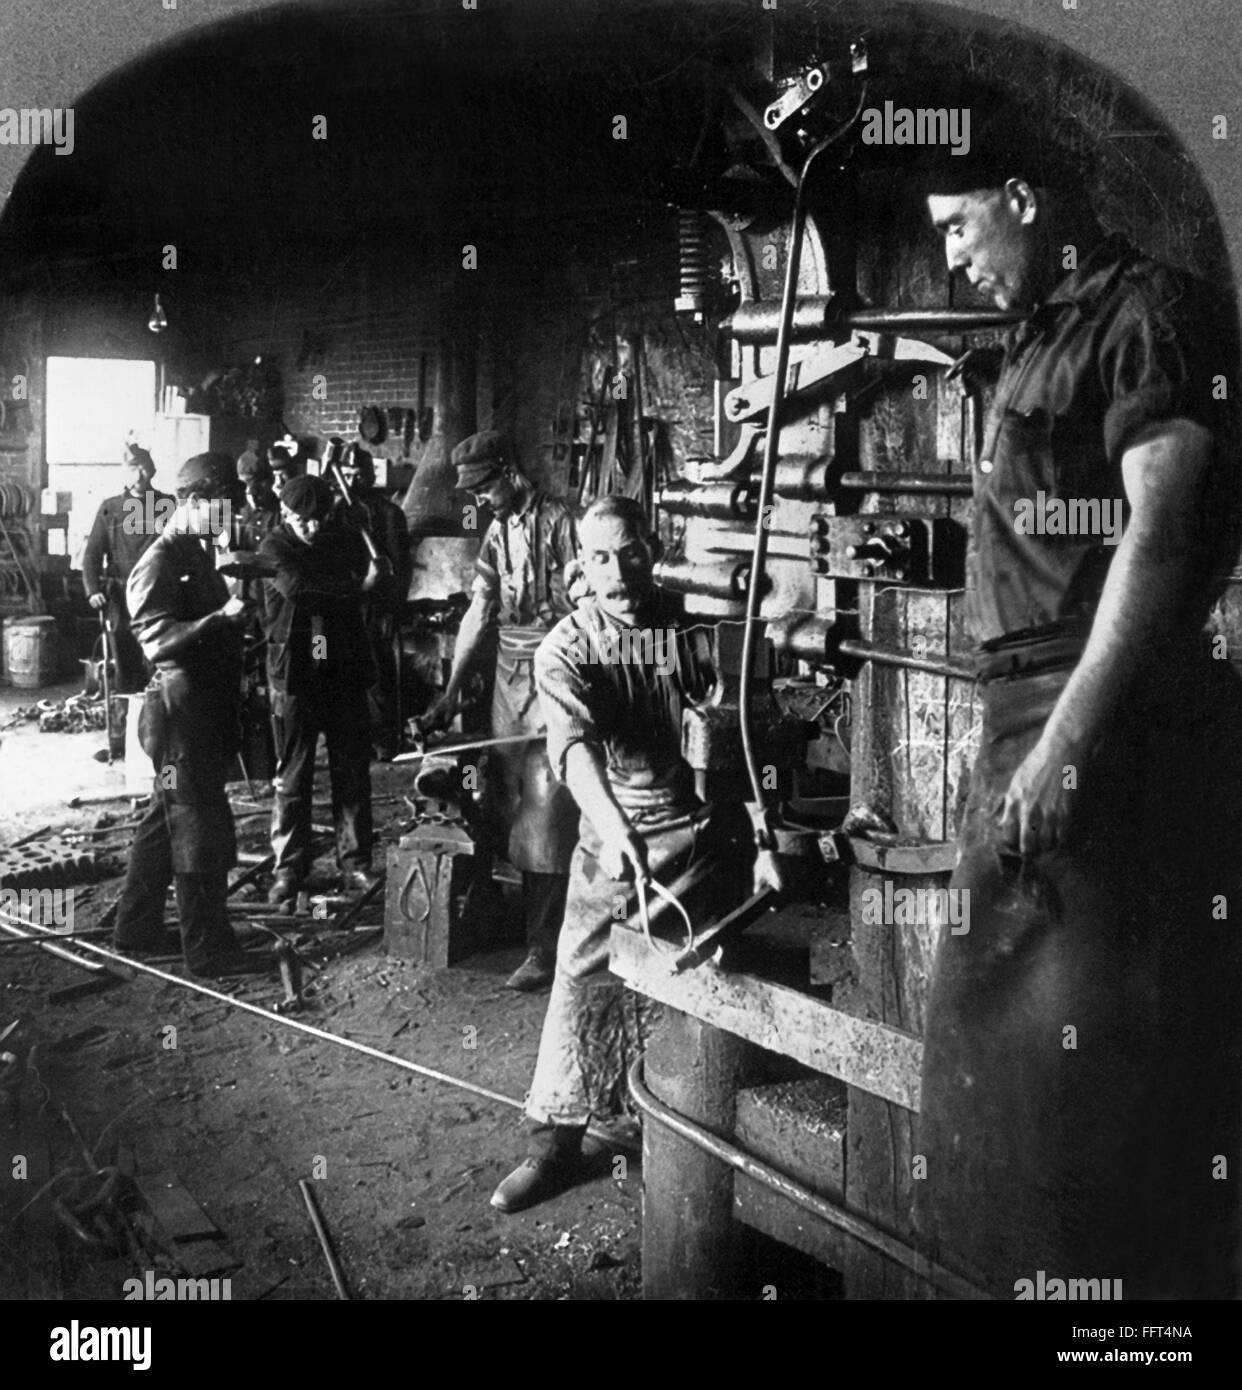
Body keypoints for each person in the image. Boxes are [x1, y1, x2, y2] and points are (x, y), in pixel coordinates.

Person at [913, 108, 1242, 1298]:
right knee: (999, 1073)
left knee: (1096, 1088)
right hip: (1026, 720)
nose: (950, 255)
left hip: (1103, 728)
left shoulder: (1145, 312)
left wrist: (1067, 741)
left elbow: (1159, 533)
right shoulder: (1036, 335)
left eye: (958, 225)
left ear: (1022, 194)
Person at [490, 496, 784, 1213]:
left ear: (654, 550)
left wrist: (767, 840)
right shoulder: (568, 645)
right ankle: (555, 1140)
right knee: (586, 976)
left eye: (629, 553)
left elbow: (745, 740)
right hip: (616, 835)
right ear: (579, 568)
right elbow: (573, 747)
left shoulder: (695, 630)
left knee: (692, 984)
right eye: (598, 558)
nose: (617, 572)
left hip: (707, 836)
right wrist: (616, 827)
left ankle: (665, 1126)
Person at [425, 431, 581, 992]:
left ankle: (547, 949)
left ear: (511, 471)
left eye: (487, 486)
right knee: (502, 796)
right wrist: (450, 693)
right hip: (508, 680)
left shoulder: (565, 522)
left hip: (558, 671)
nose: (482, 499)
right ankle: (510, 917)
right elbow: (479, 613)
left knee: (548, 813)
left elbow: (593, 608)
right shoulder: (497, 531)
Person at [110, 452, 264, 979]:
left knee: (165, 819)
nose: (229, 519)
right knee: (199, 823)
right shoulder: (157, 560)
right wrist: (220, 619)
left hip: (198, 709)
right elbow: (157, 642)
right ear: (197, 503)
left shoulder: (196, 553)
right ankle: (207, 949)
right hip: (177, 714)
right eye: (223, 509)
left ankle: (135, 928)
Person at [258, 475, 384, 904]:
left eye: (317, 520)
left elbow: (372, 579)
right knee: (293, 777)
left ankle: (356, 864)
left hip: (339, 670)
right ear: (286, 514)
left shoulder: (341, 537)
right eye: (301, 520)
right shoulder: (274, 548)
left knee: (352, 772)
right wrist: (358, 587)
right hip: (296, 674)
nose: (310, 528)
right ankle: (290, 868)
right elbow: (302, 591)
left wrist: (375, 576)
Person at [333, 443, 414, 760]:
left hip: (379, 607)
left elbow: (401, 568)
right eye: (348, 474)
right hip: (349, 602)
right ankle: (355, 741)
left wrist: (394, 608)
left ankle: (385, 742)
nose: (352, 481)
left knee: (380, 676)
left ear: (370, 475)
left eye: (359, 474)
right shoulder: (339, 512)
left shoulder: (390, 514)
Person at [82, 441, 173, 693]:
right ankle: (128, 726)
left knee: (160, 666)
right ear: (124, 471)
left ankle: (157, 726)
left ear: (152, 471)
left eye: (144, 469)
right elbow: (91, 555)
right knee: (126, 669)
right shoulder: (110, 508)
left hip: (158, 597)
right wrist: (93, 590)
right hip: (120, 601)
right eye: (132, 469)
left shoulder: (167, 505)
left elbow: (183, 549)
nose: (139, 475)